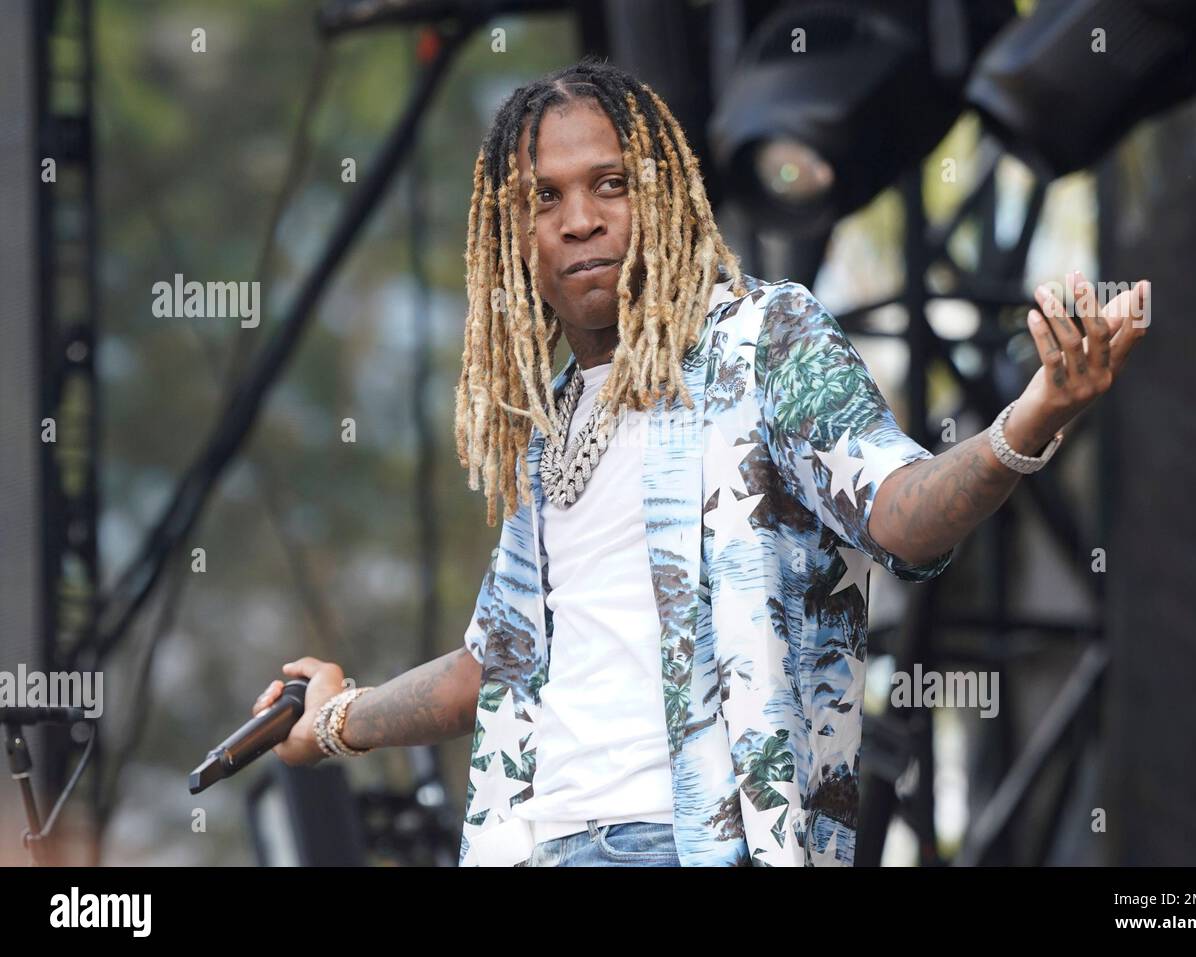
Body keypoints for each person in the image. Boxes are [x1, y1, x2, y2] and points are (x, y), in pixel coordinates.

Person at [252, 56, 1149, 867]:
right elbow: (493, 666)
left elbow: (901, 516)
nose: (580, 221)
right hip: (536, 844)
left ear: (666, 195)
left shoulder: (761, 340)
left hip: (696, 840)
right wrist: (332, 716)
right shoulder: (548, 421)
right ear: (511, 236)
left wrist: (1028, 421)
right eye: (545, 198)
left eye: (610, 184)